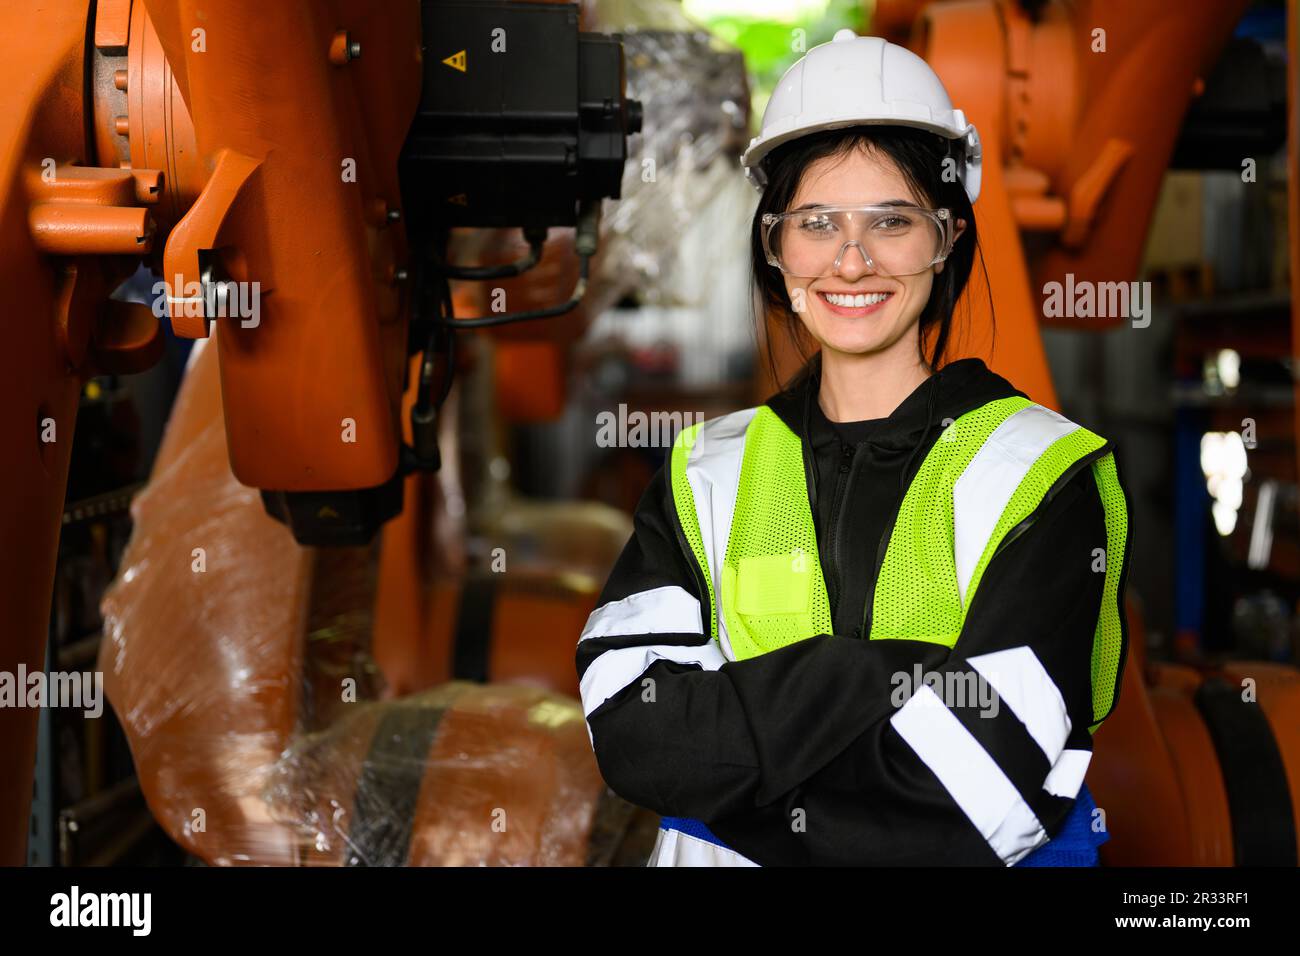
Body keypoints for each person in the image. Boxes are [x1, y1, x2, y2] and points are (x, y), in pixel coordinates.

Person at [575, 30, 1131, 866]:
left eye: (892, 222)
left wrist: (732, 787)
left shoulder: (1040, 473)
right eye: (817, 223)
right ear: (777, 249)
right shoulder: (704, 472)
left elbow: (979, 784)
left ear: (946, 242)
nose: (852, 259)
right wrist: (871, 675)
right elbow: (634, 729)